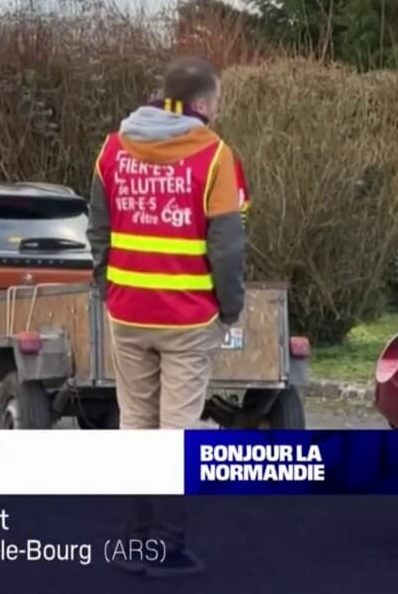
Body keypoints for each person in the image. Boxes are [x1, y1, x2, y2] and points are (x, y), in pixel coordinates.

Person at [87, 56, 246, 577]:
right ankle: (168, 547)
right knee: (178, 430)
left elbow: (98, 230)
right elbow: (227, 247)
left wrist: (108, 285)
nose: (217, 110)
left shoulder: (113, 149)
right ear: (200, 103)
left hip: (128, 310)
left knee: (135, 423)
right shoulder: (215, 155)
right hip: (189, 317)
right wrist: (230, 307)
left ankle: (136, 542)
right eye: (216, 101)